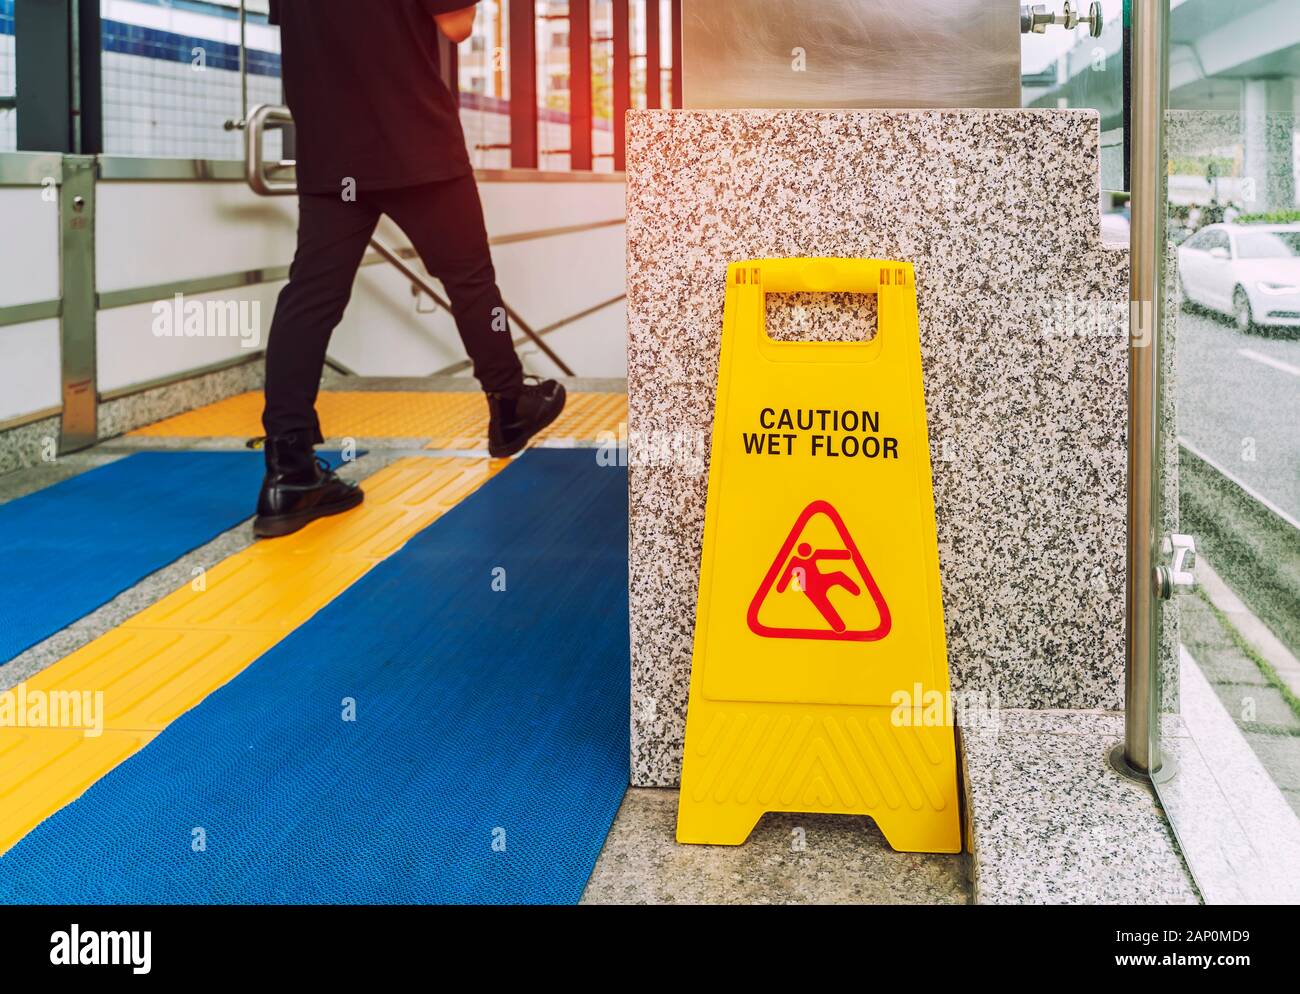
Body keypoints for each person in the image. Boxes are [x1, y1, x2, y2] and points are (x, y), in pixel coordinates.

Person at [254, 0, 566, 538]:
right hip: (414, 140)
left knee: (310, 298)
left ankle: (289, 470)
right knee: (468, 279)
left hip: (331, 151)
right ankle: (509, 404)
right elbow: (458, 23)